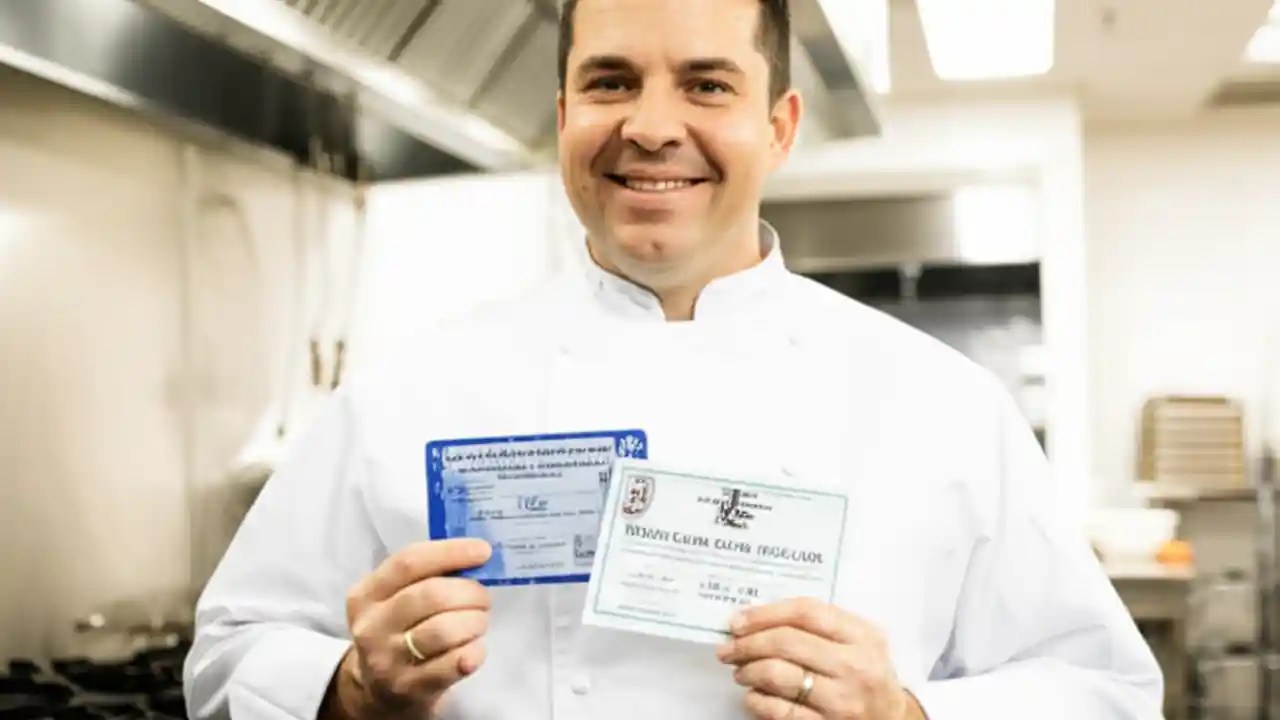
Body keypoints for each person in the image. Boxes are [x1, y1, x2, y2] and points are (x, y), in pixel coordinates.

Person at [184, 0, 1165, 718]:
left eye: (706, 84)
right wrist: (351, 690)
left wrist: (907, 713)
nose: (651, 127)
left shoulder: (940, 402)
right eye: (610, 82)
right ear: (562, 117)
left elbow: (1103, 690)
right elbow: (229, 655)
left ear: (778, 127)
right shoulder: (408, 393)